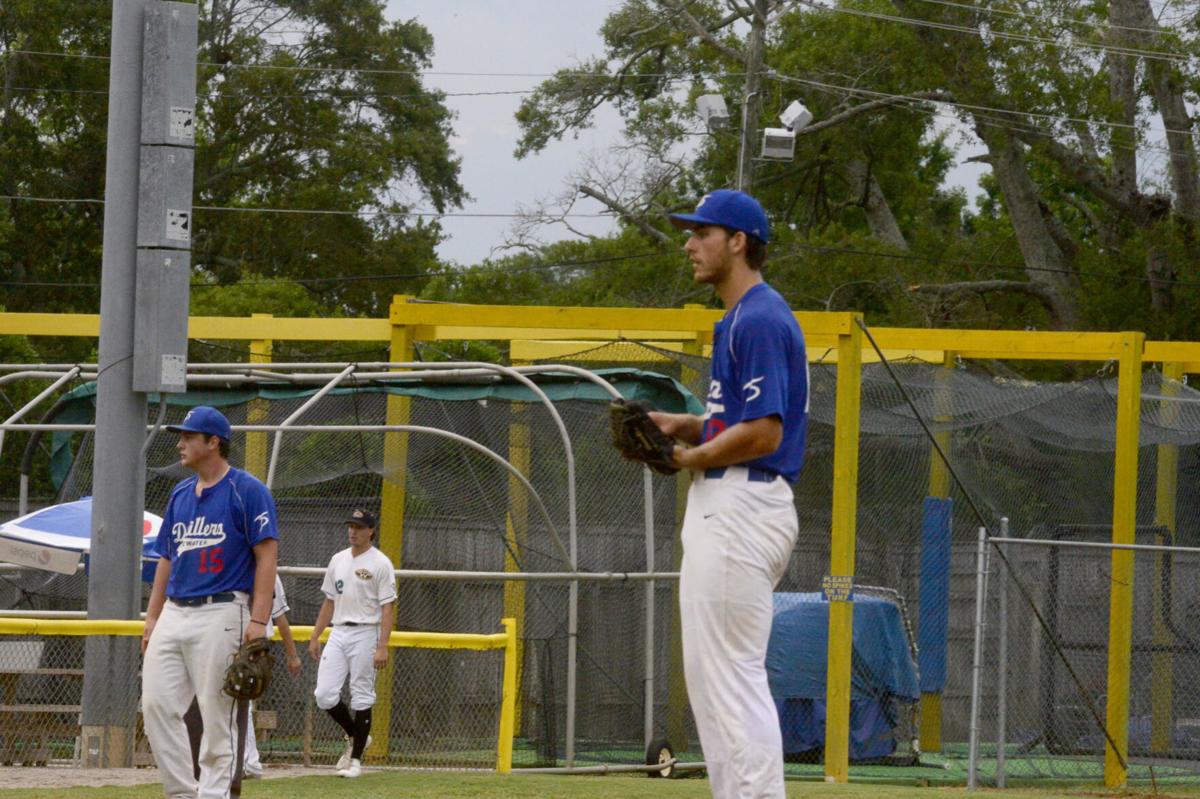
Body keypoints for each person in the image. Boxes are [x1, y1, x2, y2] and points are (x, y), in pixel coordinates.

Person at [651, 189, 808, 799]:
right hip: (733, 503)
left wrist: (695, 455)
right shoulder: (740, 319)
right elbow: (741, 421)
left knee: (733, 678)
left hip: (743, 504)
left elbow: (766, 431)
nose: (690, 244)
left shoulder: (761, 316)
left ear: (738, 241)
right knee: (713, 680)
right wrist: (684, 426)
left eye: (703, 232)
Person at [141, 406, 280, 799]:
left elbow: (266, 556)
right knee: (155, 706)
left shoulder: (248, 490)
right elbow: (166, 558)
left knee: (218, 717)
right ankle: (183, 792)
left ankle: (215, 794)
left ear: (213, 442)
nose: (180, 443)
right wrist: (152, 617)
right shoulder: (180, 493)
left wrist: (258, 619)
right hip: (174, 610)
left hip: (223, 609)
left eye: (188, 436)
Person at [184, 574, 302, 780]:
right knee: (231, 701)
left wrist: (292, 655)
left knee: (238, 700)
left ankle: (247, 761)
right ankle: (247, 761)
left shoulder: (269, 575)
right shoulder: (231, 567)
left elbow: (280, 617)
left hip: (254, 645)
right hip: (225, 637)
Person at [308, 508, 396, 778]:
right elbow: (329, 600)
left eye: (359, 527)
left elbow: (388, 606)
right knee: (324, 694)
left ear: (371, 530)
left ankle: (355, 761)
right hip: (339, 630)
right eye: (350, 526)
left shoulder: (380, 563)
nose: (353, 531)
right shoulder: (338, 559)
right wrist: (316, 634)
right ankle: (356, 735)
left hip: (366, 632)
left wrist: (382, 645)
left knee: (361, 695)